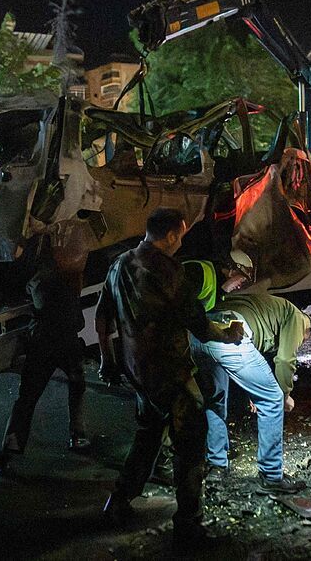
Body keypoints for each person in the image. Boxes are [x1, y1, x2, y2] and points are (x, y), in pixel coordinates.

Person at [95, 208, 245, 545]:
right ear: (174, 234)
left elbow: (102, 316)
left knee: (148, 435)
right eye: (182, 235)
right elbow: (199, 326)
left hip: (138, 372)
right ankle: (188, 525)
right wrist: (229, 333)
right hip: (171, 373)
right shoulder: (168, 269)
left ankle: (118, 500)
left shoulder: (120, 264)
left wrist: (108, 359)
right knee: (191, 445)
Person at [187, 260, 306, 493]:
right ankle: (271, 477)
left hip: (201, 337)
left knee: (215, 399)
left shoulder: (266, 305)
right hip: (227, 335)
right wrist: (285, 393)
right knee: (272, 399)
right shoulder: (295, 317)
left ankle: (217, 465)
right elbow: (284, 360)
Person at [0, 263, 89, 476]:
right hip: (65, 344)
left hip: (42, 344)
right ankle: (77, 435)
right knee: (77, 385)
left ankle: (10, 449)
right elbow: (78, 322)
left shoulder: (38, 281)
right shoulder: (67, 280)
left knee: (27, 398)